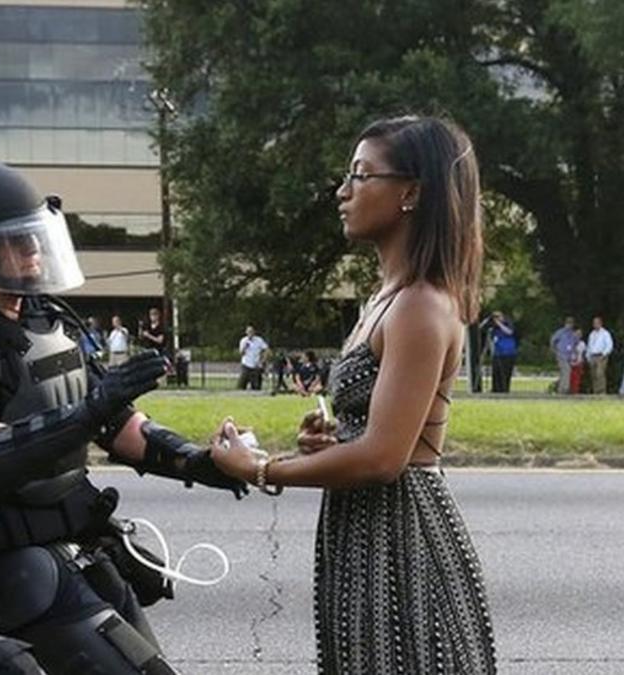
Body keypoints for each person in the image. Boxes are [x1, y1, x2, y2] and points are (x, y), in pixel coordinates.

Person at [0, 162, 248, 674]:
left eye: (35, 238)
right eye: (16, 241)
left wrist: (201, 462)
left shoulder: (44, 318)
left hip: (80, 542)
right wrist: (89, 412)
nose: (32, 252)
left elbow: (118, 425)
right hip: (14, 560)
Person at [211, 116, 496, 673]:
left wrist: (261, 468)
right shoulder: (385, 300)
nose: (342, 192)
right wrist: (332, 442)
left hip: (404, 542)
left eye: (361, 176)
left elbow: (387, 458)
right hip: (367, 533)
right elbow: (375, 437)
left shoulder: (419, 304)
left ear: (410, 192)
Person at [482, 310, 518, 393]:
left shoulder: (508, 323)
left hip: (509, 352)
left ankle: (504, 389)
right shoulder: (493, 328)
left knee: (505, 372)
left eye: (498, 316)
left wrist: (499, 324)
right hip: (497, 353)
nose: (497, 319)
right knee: (496, 372)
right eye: (495, 317)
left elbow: (509, 332)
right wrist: (488, 320)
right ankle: (496, 389)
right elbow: (482, 328)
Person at [550, 316, 578, 394]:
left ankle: (561, 389)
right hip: (561, 355)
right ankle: (564, 388)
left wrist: (574, 354)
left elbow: (575, 344)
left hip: (569, 356)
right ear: (565, 323)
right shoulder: (560, 332)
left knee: (564, 372)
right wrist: (555, 351)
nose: (570, 325)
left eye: (571, 323)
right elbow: (553, 340)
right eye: (568, 323)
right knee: (566, 370)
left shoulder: (573, 334)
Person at [586, 316, 614, 394]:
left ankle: (601, 391)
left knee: (600, 373)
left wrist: (604, 354)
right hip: (592, 356)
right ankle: (595, 391)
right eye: (594, 323)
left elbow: (609, 345)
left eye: (597, 323)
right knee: (593, 375)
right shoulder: (592, 334)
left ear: (600, 323)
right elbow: (589, 346)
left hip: (601, 356)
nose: (595, 324)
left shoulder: (605, 333)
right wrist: (588, 356)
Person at [237, 325, 268, 390]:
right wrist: (245, 347)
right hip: (246, 365)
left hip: (255, 366)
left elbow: (266, 349)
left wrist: (263, 360)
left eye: (251, 331)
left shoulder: (259, 340)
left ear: (254, 332)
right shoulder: (243, 340)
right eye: (248, 332)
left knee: (256, 387)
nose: (250, 333)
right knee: (240, 386)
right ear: (246, 332)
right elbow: (241, 353)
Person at [569, 327, 587, 394]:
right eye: (576, 333)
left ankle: (575, 392)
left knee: (577, 380)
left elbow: (584, 354)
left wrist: (581, 361)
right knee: (570, 379)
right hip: (570, 363)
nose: (578, 335)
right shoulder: (569, 343)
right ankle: (569, 391)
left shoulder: (582, 344)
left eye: (579, 334)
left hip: (578, 363)